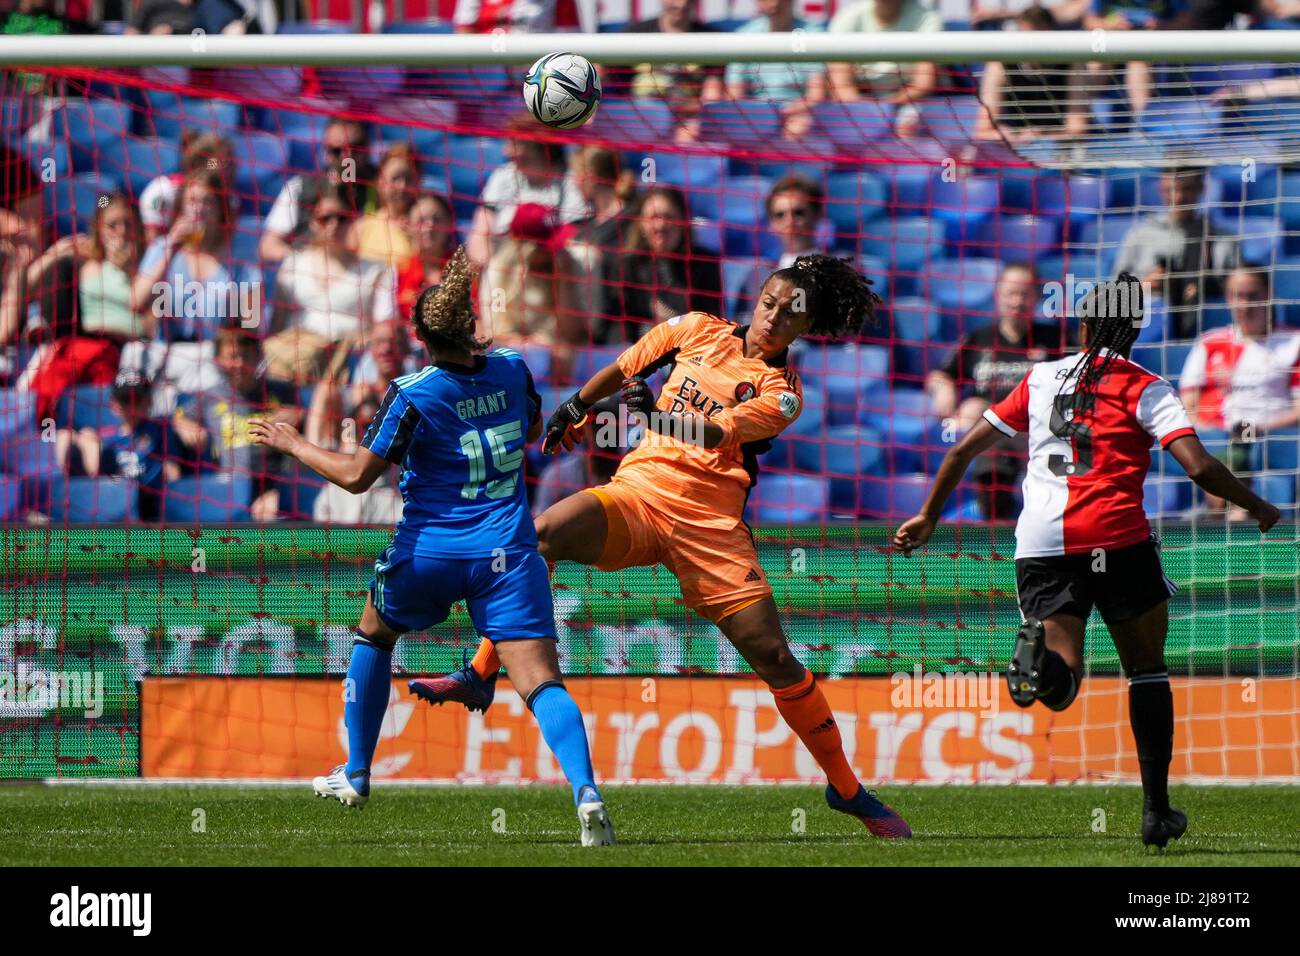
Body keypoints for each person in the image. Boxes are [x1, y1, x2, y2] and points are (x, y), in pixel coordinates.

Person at [419, 255, 913, 839]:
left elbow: (719, 432)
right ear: (756, 299)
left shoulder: (784, 395)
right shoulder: (695, 328)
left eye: (791, 314)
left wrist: (652, 413)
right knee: (541, 533)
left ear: (807, 327)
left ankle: (846, 789)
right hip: (638, 496)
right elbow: (627, 366)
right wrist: (576, 407)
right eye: (770, 302)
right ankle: (481, 671)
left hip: (711, 529)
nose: (775, 317)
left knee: (775, 658)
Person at [894, 274, 1280, 847]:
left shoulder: (1040, 378)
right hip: (1117, 539)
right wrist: (1261, 507)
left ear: (1081, 326)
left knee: (1064, 681)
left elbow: (962, 448)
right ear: (1137, 330)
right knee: (1146, 668)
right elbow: (1200, 468)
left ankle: (1040, 664)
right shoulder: (1147, 387)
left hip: (1042, 544)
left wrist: (928, 515)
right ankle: (1156, 812)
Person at [248, 248, 614, 846]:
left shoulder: (411, 393)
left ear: (421, 337)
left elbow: (356, 477)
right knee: (542, 682)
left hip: (433, 550)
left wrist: (293, 443)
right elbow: (524, 428)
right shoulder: (515, 368)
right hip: (508, 553)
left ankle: (358, 773)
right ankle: (587, 794)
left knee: (374, 634)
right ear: (469, 326)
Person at [925, 263, 1074, 518]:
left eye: (1024, 294)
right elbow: (941, 375)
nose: (1017, 301)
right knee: (975, 415)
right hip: (989, 434)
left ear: (1037, 297)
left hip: (1038, 430)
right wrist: (943, 388)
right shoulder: (978, 339)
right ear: (998, 296)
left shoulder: (1056, 340)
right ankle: (995, 520)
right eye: (1011, 293)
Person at [6, 196, 148, 423]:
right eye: (112, 225)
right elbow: (24, 290)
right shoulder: (88, 265)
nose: (121, 232)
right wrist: (53, 255)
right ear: (99, 231)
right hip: (87, 342)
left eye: (128, 224)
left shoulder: (148, 266)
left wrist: (131, 269)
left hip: (133, 350)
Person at [1179, 267, 1300, 511]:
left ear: (1269, 294)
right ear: (1228, 299)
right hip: (1216, 439)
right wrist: (1213, 433)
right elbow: (1188, 405)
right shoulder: (1210, 342)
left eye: (1253, 295)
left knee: (1233, 466)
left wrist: (1259, 429)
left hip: (1269, 436)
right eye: (1237, 296)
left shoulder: (1293, 342)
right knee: (1217, 462)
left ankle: (1228, 520)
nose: (1245, 304)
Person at [266, 181, 396, 384]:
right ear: (313, 222)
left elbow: (383, 329)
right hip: (296, 363)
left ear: (354, 222)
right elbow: (277, 324)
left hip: (350, 366)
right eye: (325, 218)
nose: (333, 224)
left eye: (341, 218)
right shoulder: (293, 264)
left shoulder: (377, 270)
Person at [173, 326, 300, 522]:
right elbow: (178, 415)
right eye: (232, 357)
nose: (239, 364)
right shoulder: (210, 396)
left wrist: (300, 414)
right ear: (218, 361)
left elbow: (317, 412)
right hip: (228, 488)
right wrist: (183, 423)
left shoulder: (282, 392)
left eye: (246, 356)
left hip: (273, 485)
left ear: (258, 357)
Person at [55, 370, 206, 522]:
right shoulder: (105, 437)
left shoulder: (161, 428)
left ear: (149, 401)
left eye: (138, 400)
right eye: (126, 400)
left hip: (154, 509)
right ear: (114, 404)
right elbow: (80, 451)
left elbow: (174, 473)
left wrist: (182, 423)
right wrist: (83, 441)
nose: (132, 407)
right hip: (117, 509)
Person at [1112, 167, 1241, 339]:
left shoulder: (1224, 240)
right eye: (1170, 190)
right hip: (1149, 329)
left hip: (1208, 330)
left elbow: (1241, 289)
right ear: (1161, 188)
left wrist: (1203, 283)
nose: (1178, 197)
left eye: (1186, 189)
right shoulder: (1139, 236)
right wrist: (1145, 284)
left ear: (1201, 188)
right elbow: (1114, 292)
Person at [307, 321, 410, 525]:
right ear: (370, 349)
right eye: (379, 342)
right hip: (346, 490)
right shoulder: (357, 394)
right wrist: (344, 350)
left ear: (406, 347)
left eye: (393, 342)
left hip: (393, 492)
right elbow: (324, 395)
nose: (386, 349)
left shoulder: (416, 394)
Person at [595, 185, 723, 344]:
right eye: (653, 217)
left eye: (669, 217)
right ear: (641, 224)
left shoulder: (705, 264)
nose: (660, 226)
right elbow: (615, 324)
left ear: (683, 221)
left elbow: (711, 324)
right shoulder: (626, 266)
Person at [465, 114, 588, 265]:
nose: (506, 152)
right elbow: (479, 237)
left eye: (514, 143)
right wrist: (496, 272)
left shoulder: (570, 183)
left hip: (550, 269)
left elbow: (574, 241)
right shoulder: (503, 176)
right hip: (501, 267)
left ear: (537, 147)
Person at [259, 117, 374, 266]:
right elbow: (268, 247)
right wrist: (307, 263)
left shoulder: (383, 188)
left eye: (355, 148)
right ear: (326, 153)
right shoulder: (300, 186)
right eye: (337, 150)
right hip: (310, 279)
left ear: (368, 150)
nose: (347, 158)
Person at [973, 5, 1091, 145]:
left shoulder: (1073, 64)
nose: (1031, 46)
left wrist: (1041, 138)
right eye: (1026, 37)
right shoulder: (1000, 64)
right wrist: (1006, 136)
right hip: (1013, 153)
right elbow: (983, 130)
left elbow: (1078, 129)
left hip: (1060, 152)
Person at [827, 0, 943, 137]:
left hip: (907, 104)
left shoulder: (928, 19)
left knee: (909, 127)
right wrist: (864, 109)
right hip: (857, 103)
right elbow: (840, 85)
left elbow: (923, 85)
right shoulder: (847, 17)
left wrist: (884, 107)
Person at [725, 0, 828, 138]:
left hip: (799, 116)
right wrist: (762, 117)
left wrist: (785, 112)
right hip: (754, 117)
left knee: (798, 129)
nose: (774, 3)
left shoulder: (813, 35)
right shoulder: (744, 36)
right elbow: (734, 96)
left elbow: (816, 96)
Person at [737, 176, 832, 319]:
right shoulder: (757, 276)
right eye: (780, 215)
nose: (790, 221)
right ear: (771, 224)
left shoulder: (838, 268)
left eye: (798, 212)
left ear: (817, 215)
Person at [138, 131, 237, 245]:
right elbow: (152, 249)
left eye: (231, 162)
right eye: (220, 162)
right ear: (199, 163)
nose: (230, 168)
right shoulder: (162, 192)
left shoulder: (231, 200)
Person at [351, 144, 419, 269]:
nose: (402, 186)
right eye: (395, 179)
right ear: (380, 182)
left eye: (408, 179)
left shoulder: (425, 230)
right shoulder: (361, 227)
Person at [394, 193, 457, 320]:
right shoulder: (397, 273)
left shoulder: (465, 271)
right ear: (407, 225)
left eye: (437, 219)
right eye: (421, 220)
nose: (429, 227)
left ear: (450, 224)